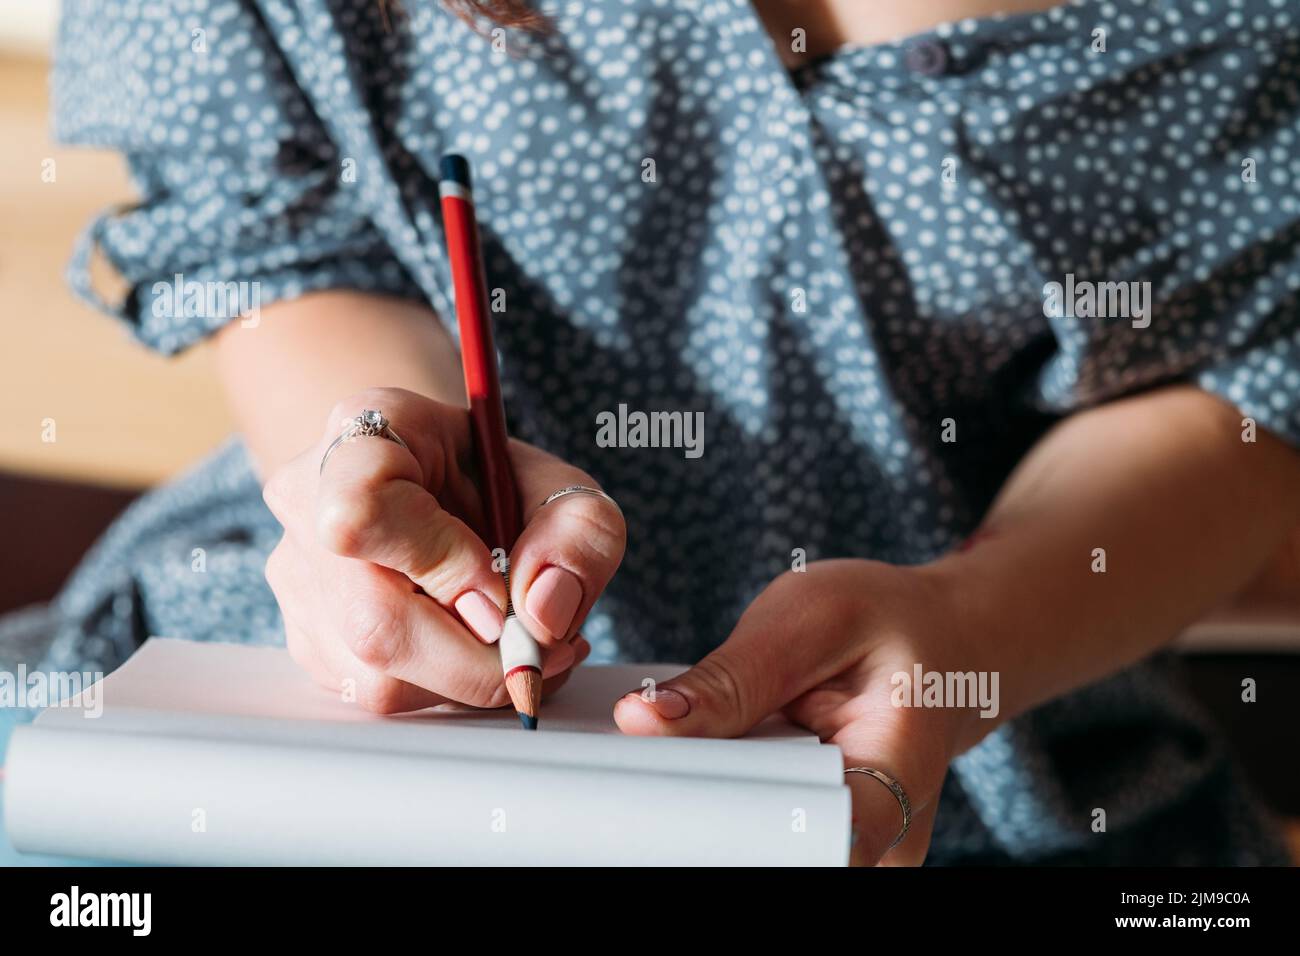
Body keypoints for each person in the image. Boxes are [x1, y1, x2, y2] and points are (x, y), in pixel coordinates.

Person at [15, 0, 1300, 865]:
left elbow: (1254, 388)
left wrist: (972, 627)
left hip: (971, 755)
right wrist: (371, 462)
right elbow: (288, 246)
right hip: (288, 688)